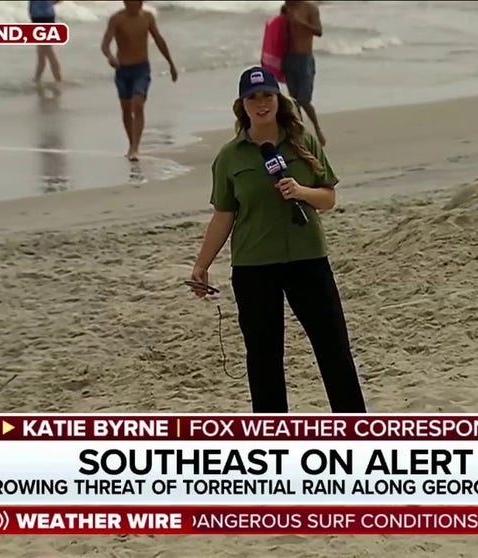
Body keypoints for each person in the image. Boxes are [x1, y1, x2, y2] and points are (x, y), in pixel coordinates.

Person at [189, 66, 367, 414]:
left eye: (267, 96)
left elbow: (328, 198)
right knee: (263, 358)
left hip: (308, 259)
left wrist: (301, 191)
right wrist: (201, 264)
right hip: (254, 267)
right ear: (242, 105)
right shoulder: (230, 157)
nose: (261, 104)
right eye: (252, 98)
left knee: (333, 349)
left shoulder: (303, 142)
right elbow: (224, 215)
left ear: (277, 99)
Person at [101, 0, 179, 161]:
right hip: (122, 70)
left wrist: (171, 63)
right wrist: (110, 57)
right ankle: (131, 144)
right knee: (126, 109)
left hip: (141, 69)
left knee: (138, 103)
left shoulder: (148, 17)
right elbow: (105, 44)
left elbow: (159, 40)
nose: (136, 4)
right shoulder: (117, 19)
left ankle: (135, 147)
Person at [282, 1, 326, 146]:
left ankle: (317, 128)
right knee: (294, 102)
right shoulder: (286, 8)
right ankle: (300, 135)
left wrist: (302, 23)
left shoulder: (310, 8)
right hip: (288, 58)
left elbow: (319, 31)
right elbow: (281, 34)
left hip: (304, 59)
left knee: (304, 100)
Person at [29, 0, 62, 84]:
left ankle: (57, 78)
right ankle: (37, 78)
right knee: (43, 49)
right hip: (41, 15)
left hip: (42, 16)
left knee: (46, 49)